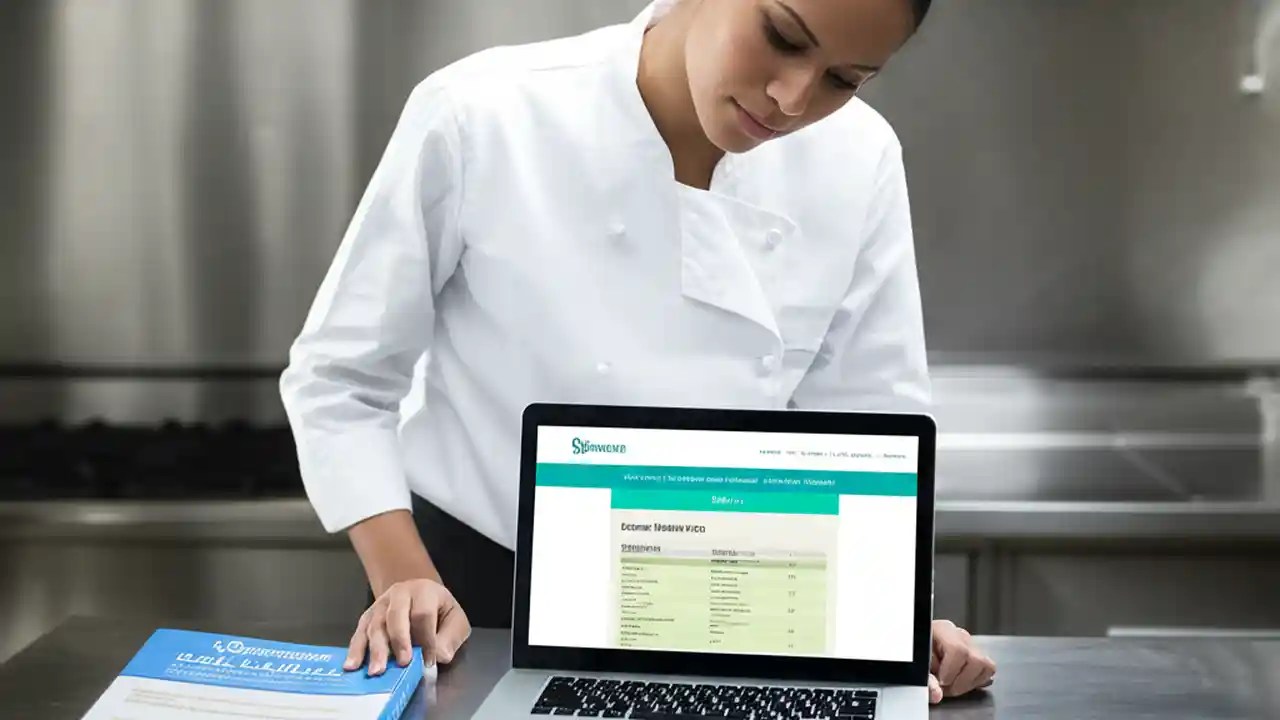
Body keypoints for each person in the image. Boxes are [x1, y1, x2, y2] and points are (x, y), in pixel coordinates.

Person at [281, 0, 996, 704]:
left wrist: (885, 626)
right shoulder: (484, 112)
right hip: (473, 597)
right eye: (780, 37)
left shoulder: (858, 158)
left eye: (845, 79)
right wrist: (407, 578)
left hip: (736, 600)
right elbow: (341, 379)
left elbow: (872, 422)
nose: (791, 98)